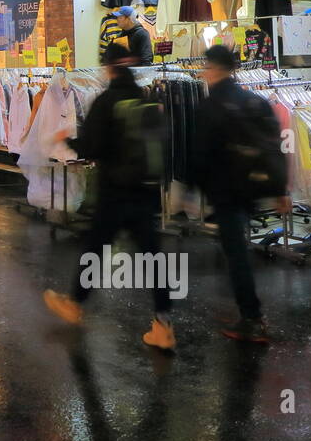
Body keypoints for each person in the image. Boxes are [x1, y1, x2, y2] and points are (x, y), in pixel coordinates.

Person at [42, 43, 175, 350]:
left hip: (115, 192)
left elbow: (92, 147)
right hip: (145, 191)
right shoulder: (145, 99)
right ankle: (164, 325)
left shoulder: (106, 101)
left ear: (109, 68)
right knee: (154, 258)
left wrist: (68, 141)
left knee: (95, 248)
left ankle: (75, 303)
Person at [193, 44, 288, 343]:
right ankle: (244, 308)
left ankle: (251, 317)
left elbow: (200, 153)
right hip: (252, 188)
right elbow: (275, 147)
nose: (204, 73)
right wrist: (279, 189)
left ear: (217, 69)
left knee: (236, 255)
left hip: (226, 191)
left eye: (207, 67)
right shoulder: (255, 101)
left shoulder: (210, 106)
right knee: (236, 249)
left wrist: (195, 189)